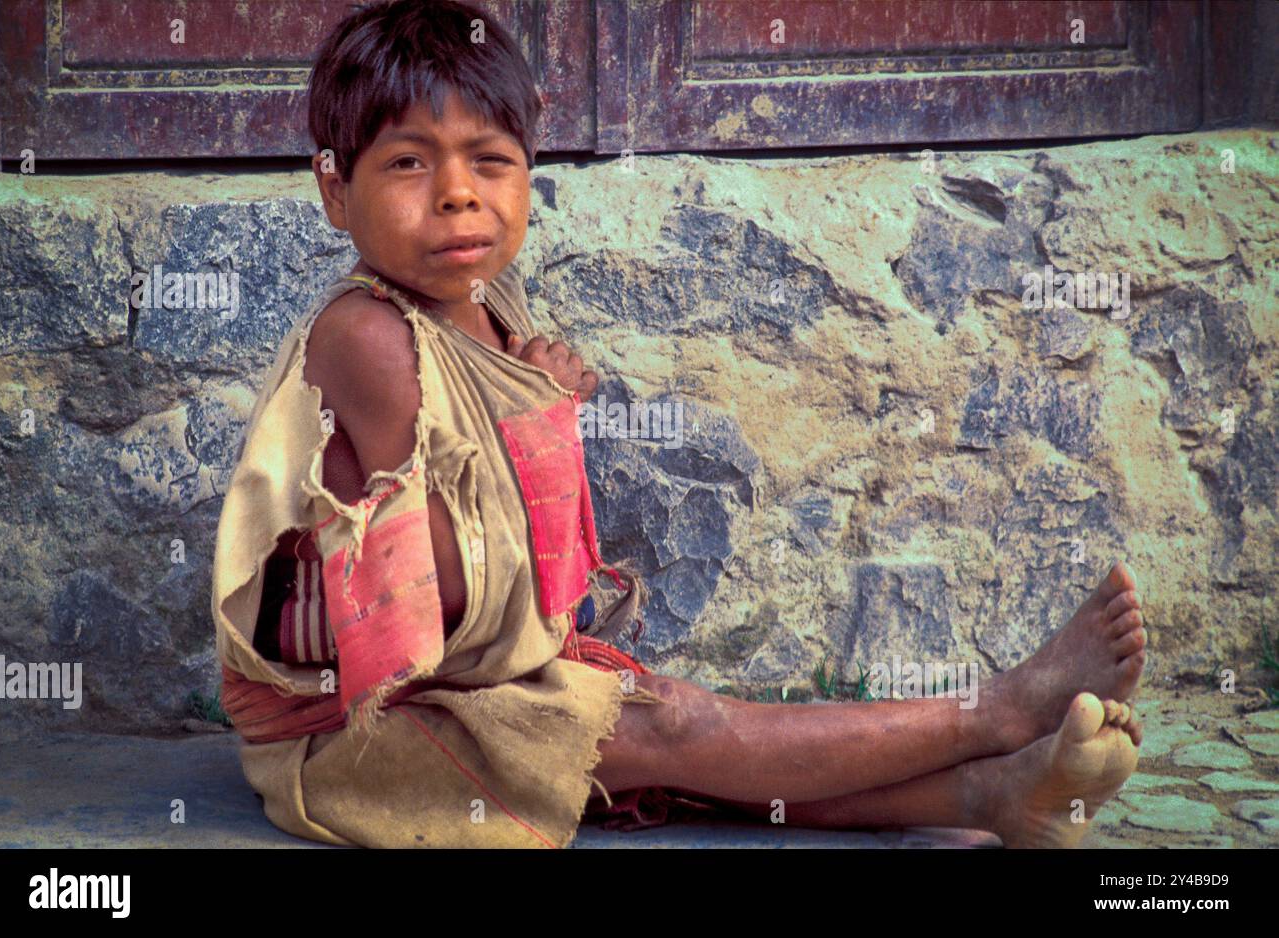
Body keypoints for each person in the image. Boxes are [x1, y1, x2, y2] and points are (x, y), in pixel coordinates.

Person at [211, 0, 1148, 849]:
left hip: (467, 683)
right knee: (679, 728)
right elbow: (438, 602)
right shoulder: (367, 337)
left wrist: (531, 429)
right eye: (408, 163)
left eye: (489, 160)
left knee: (672, 749)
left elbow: (526, 583)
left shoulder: (489, 300)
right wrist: (539, 426)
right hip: (358, 730)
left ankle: (996, 797)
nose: (458, 193)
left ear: (527, 174)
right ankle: (995, 714)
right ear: (335, 191)